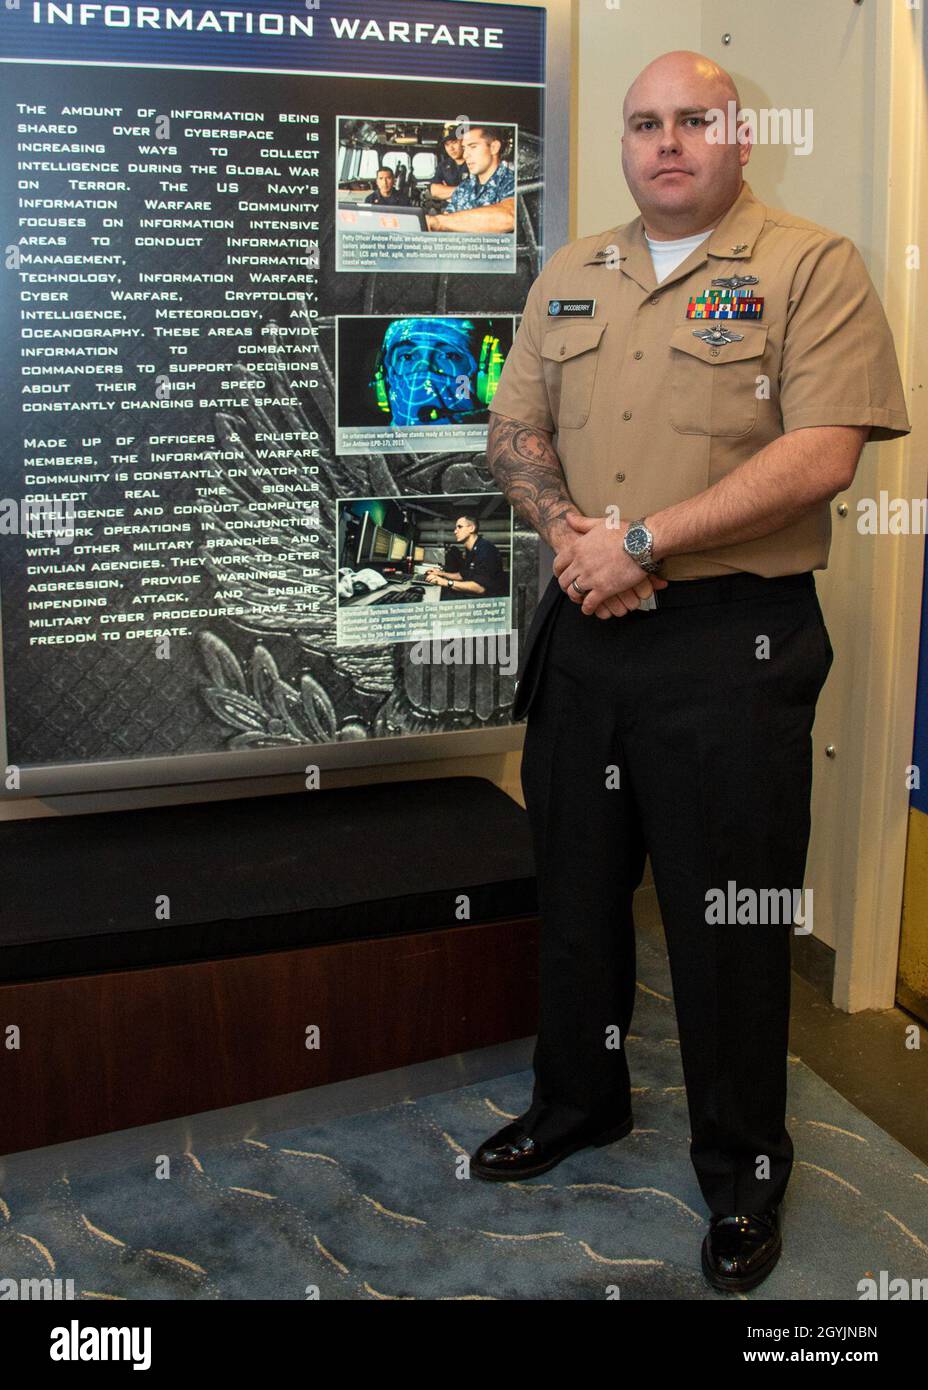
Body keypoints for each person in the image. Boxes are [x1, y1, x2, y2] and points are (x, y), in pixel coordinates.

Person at [472, 50, 911, 1294]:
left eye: (694, 122)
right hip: (584, 625)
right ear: (625, 142)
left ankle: (741, 1171)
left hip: (732, 642)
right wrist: (570, 537)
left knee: (729, 921)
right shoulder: (573, 270)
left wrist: (645, 543)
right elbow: (517, 427)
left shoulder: (808, 266)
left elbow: (824, 453)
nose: (667, 143)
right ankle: (579, 1103)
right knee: (577, 889)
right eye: (644, 123)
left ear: (740, 136)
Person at [426, 125, 515, 233]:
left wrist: (438, 222)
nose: (466, 155)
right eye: (464, 148)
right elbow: (448, 219)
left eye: (473, 147)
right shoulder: (464, 188)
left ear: (494, 147)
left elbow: (508, 217)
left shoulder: (512, 181)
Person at [425, 516, 506, 598]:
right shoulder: (471, 549)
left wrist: (445, 582)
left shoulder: (486, 550)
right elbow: (463, 575)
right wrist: (440, 573)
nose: (455, 531)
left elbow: (480, 588)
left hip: (489, 602)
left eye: (459, 527)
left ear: (471, 528)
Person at [430, 130, 468, 201]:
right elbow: (434, 190)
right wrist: (465, 191)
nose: (451, 149)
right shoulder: (443, 166)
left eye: (454, 142)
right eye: (447, 145)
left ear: (463, 142)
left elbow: (478, 191)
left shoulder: (474, 163)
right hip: (448, 210)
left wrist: (446, 193)